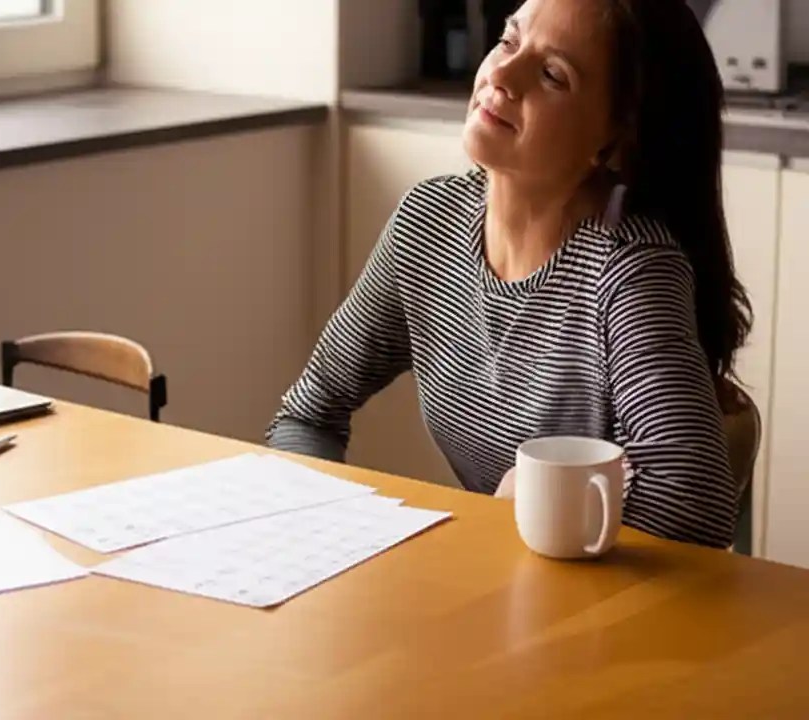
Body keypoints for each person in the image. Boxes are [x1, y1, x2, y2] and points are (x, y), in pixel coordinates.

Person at [267, 0, 751, 549]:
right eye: (508, 41)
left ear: (615, 141)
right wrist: (321, 537)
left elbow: (695, 506)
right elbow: (307, 415)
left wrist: (539, 495)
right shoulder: (426, 227)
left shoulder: (629, 273)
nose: (499, 74)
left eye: (552, 75)